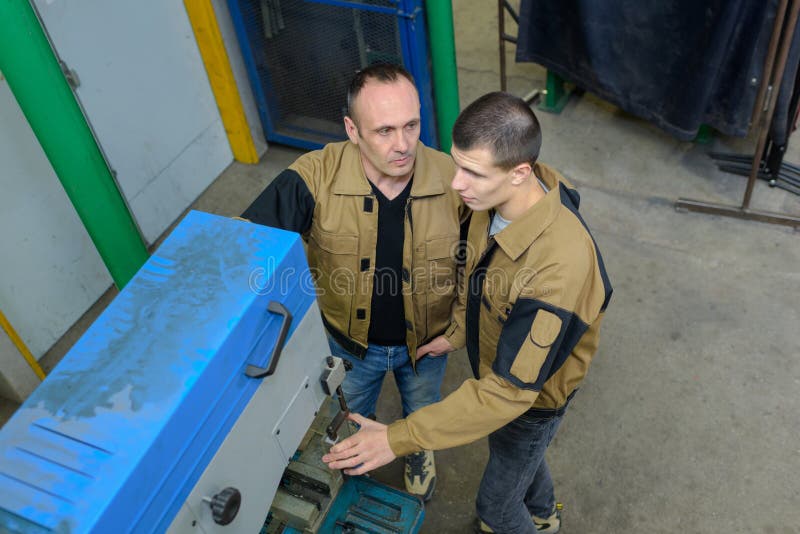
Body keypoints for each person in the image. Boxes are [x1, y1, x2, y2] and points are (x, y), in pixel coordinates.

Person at [322, 92, 613, 533]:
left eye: (472, 172)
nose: (456, 183)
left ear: (520, 172)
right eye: (458, 164)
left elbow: (509, 394)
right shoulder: (499, 203)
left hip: (531, 401)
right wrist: (458, 331)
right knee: (518, 460)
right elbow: (480, 276)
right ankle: (544, 514)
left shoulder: (559, 269)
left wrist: (397, 438)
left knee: (497, 506)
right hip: (493, 370)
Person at [240, 64, 468, 501]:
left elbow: (484, 263)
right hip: (346, 346)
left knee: (422, 410)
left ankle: (418, 448)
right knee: (346, 417)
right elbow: (242, 247)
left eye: (411, 125)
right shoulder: (313, 177)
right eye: (383, 131)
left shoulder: (454, 180)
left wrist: (456, 330)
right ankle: (352, 460)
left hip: (426, 346)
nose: (403, 146)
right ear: (352, 129)